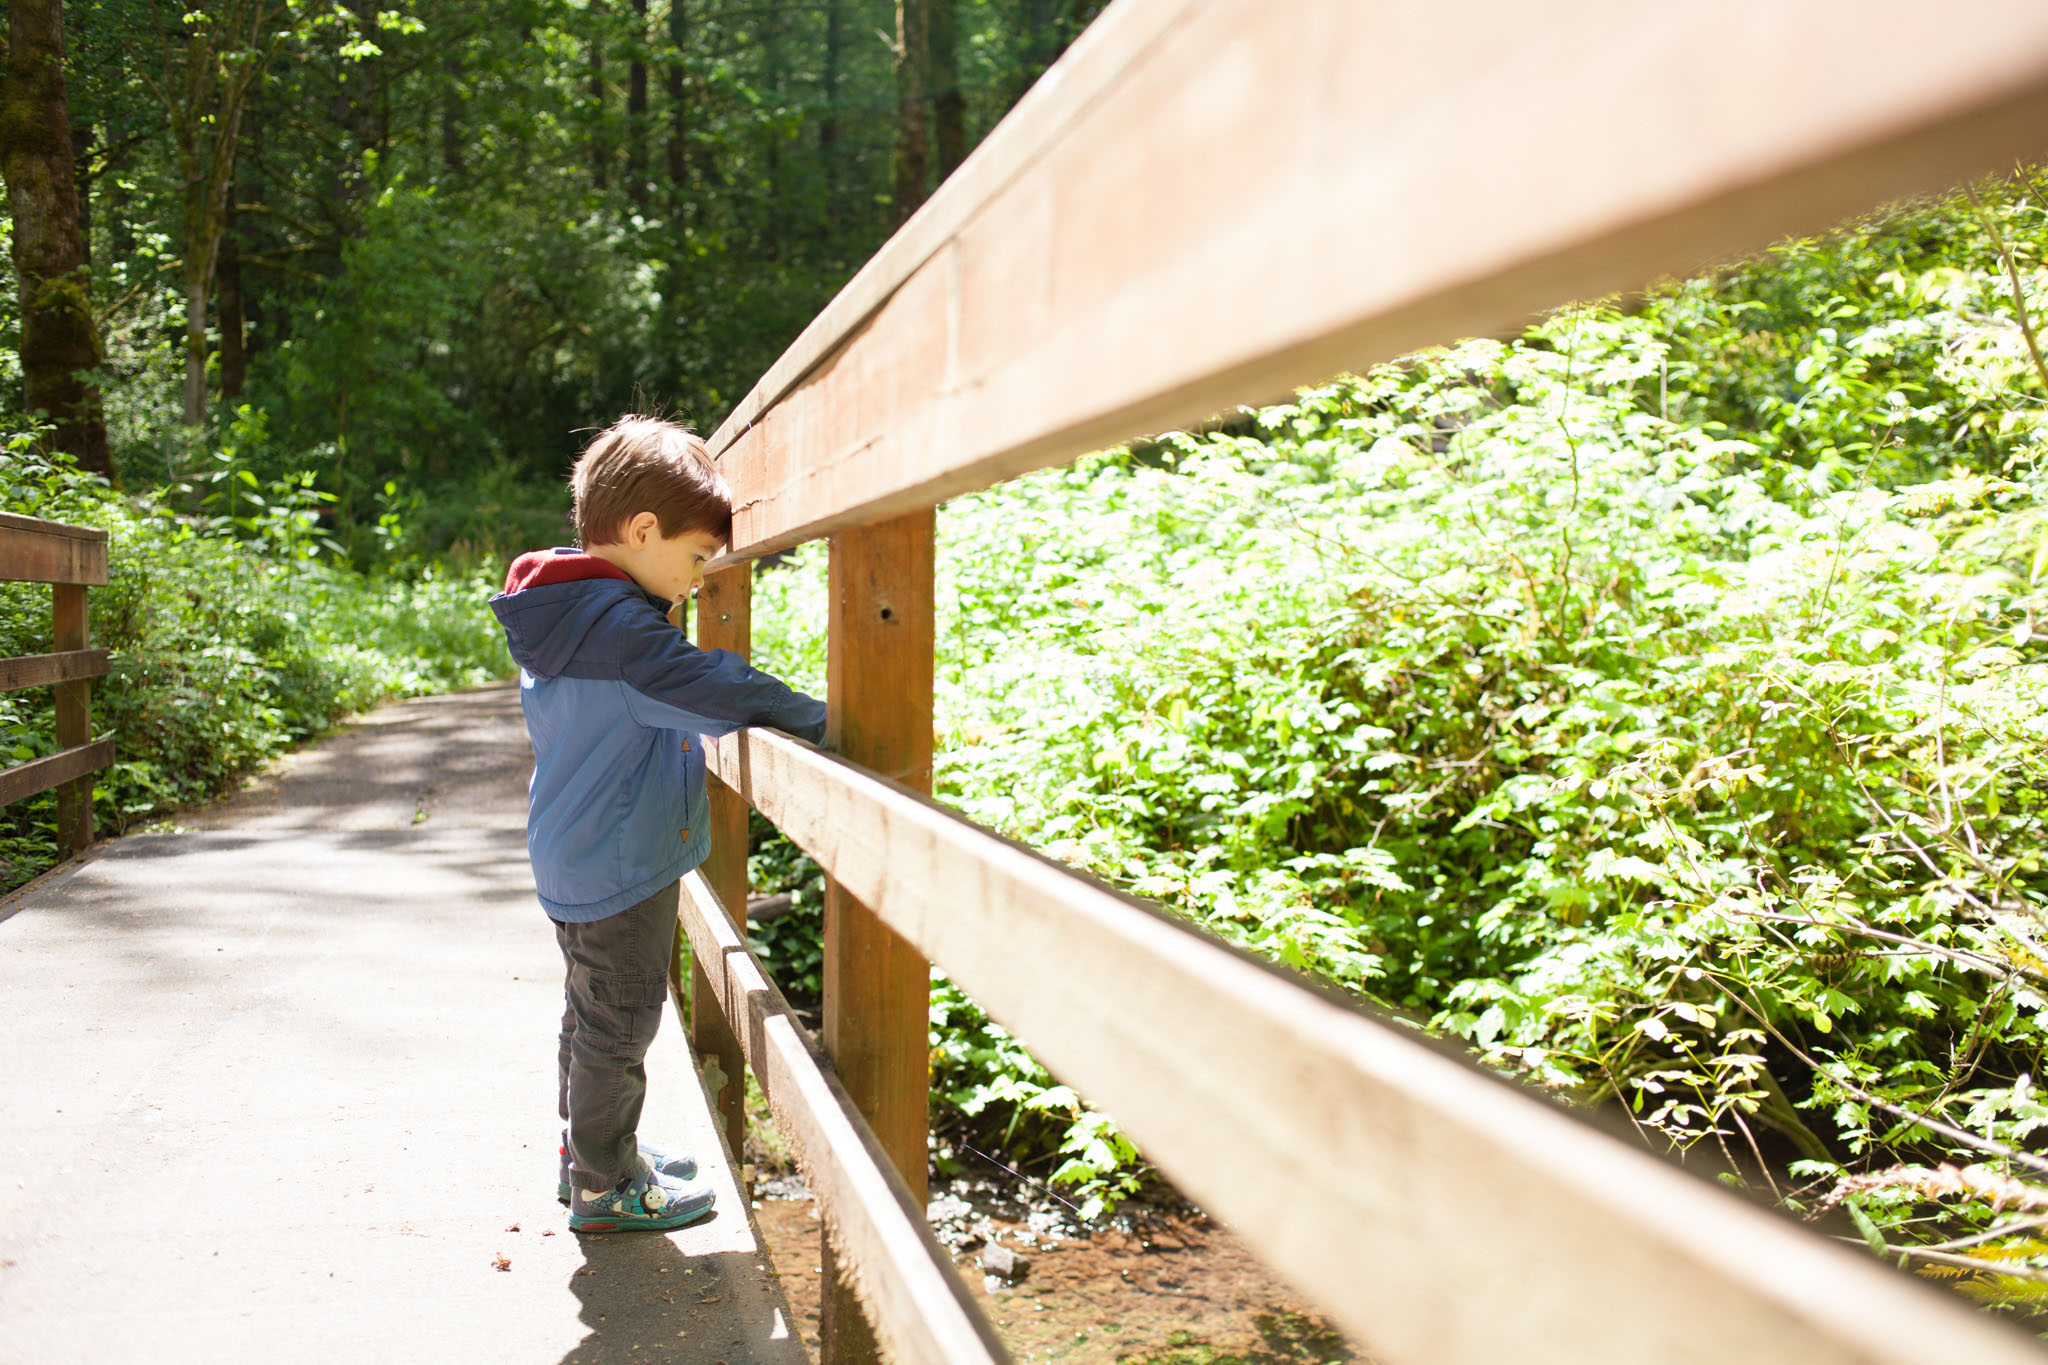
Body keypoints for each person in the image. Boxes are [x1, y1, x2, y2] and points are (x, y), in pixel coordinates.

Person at [490, 414, 826, 1233]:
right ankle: (607, 1185)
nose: (697, 581)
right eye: (696, 559)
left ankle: (596, 1154)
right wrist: (820, 716)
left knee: (591, 1012)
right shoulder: (624, 639)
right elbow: (713, 688)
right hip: (617, 866)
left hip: (579, 853)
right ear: (643, 531)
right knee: (623, 1019)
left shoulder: (572, 612)